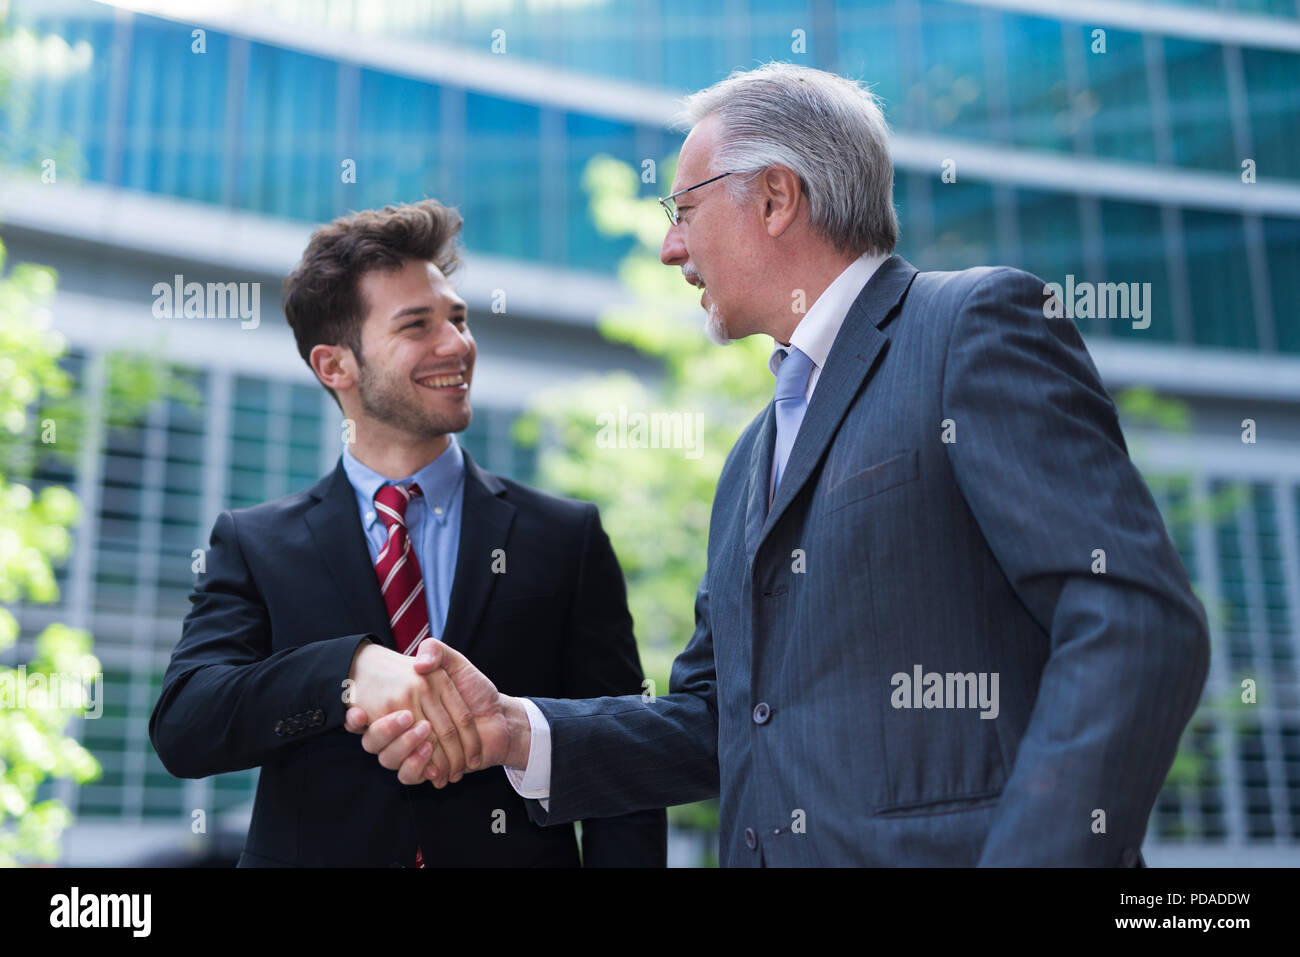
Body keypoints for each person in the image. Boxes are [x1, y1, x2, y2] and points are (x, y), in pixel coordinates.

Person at [344, 64, 1211, 867]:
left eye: (681, 211)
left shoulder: (970, 327)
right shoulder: (750, 460)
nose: (670, 250)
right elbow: (718, 719)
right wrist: (515, 730)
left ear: (774, 198)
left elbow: (1131, 620)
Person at [149, 200, 665, 867]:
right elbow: (186, 725)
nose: (457, 344)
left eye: (457, 318)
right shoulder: (255, 543)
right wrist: (347, 671)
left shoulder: (565, 536)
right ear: (335, 366)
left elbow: (622, 757)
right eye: (418, 326)